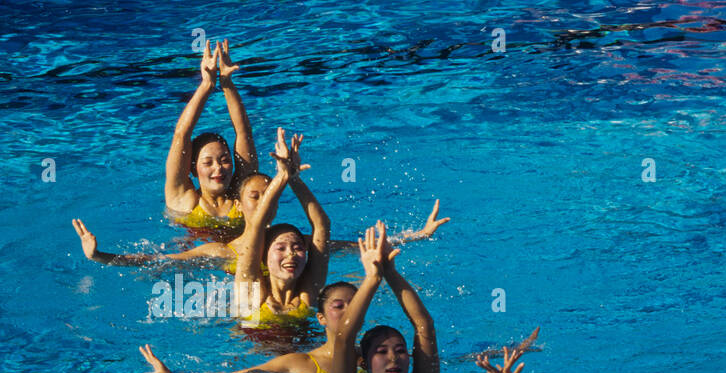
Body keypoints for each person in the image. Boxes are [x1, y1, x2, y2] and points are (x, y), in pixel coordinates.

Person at [73, 195, 448, 272]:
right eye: (256, 196)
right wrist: (101, 255)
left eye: (270, 195)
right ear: (241, 204)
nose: (265, 203)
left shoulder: (293, 245)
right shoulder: (223, 251)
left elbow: (357, 247)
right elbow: (162, 261)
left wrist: (417, 236)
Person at [329, 221, 438, 373]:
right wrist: (372, 279)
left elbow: (424, 325)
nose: (393, 357)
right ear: (364, 362)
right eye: (382, 351)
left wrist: (391, 272)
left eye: (400, 350)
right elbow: (343, 339)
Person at [136, 281, 358, 373]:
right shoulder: (302, 363)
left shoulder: (376, 354)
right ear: (320, 318)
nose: (348, 311)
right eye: (339, 306)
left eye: (355, 304)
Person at [231, 128, 330, 336]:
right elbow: (257, 224)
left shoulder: (308, 293)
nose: (291, 254)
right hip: (253, 364)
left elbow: (321, 226)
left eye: (297, 247)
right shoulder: (252, 290)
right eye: (281, 248)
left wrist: (294, 178)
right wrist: (282, 176)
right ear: (263, 256)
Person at [165, 40, 257, 235]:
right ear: (193, 168)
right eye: (208, 163)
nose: (218, 168)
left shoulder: (243, 196)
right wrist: (207, 84)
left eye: (225, 160)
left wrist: (227, 84)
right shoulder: (184, 199)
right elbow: (181, 135)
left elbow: (243, 133)